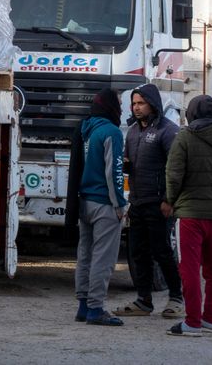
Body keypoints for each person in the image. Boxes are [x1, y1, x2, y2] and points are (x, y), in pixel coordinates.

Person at [162, 95, 212, 338]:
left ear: (192, 113)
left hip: (190, 216)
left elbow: (173, 174)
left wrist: (170, 201)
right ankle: (210, 319)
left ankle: (192, 322)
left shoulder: (184, 137)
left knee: (189, 268)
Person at [117, 85, 183, 319]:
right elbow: (130, 164)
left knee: (162, 251)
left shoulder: (168, 131)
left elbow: (175, 169)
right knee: (137, 252)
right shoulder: (133, 131)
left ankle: (176, 297)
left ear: (152, 104)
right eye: (134, 103)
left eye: (140, 103)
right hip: (137, 202)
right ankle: (143, 300)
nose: (136, 108)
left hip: (159, 204)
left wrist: (169, 200)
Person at [67, 88, 129, 326]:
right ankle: (96, 309)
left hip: (84, 202)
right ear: (111, 106)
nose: (122, 108)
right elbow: (113, 171)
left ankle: (83, 306)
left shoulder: (86, 129)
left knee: (85, 255)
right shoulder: (111, 132)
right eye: (119, 103)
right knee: (103, 258)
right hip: (105, 204)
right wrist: (119, 204)